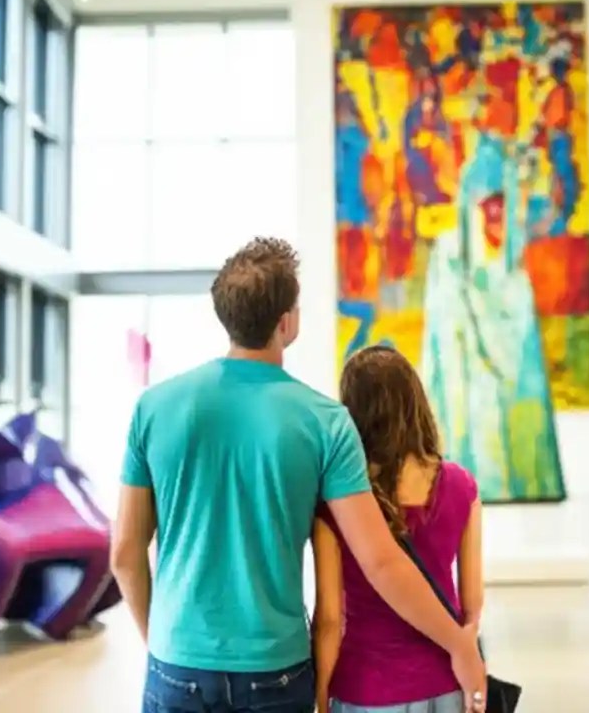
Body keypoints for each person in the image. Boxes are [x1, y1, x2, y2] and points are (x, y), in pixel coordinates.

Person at [109, 238, 486, 713]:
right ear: (287, 322)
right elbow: (381, 562)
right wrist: (458, 642)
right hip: (275, 669)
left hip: (177, 661)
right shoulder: (325, 421)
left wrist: (162, 645)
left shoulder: (153, 408)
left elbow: (125, 553)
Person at [313, 346, 484, 713]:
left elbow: (329, 617)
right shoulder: (461, 486)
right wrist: (467, 653)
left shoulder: (339, 502)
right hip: (446, 684)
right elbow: (472, 604)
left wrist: (321, 694)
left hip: (366, 688)